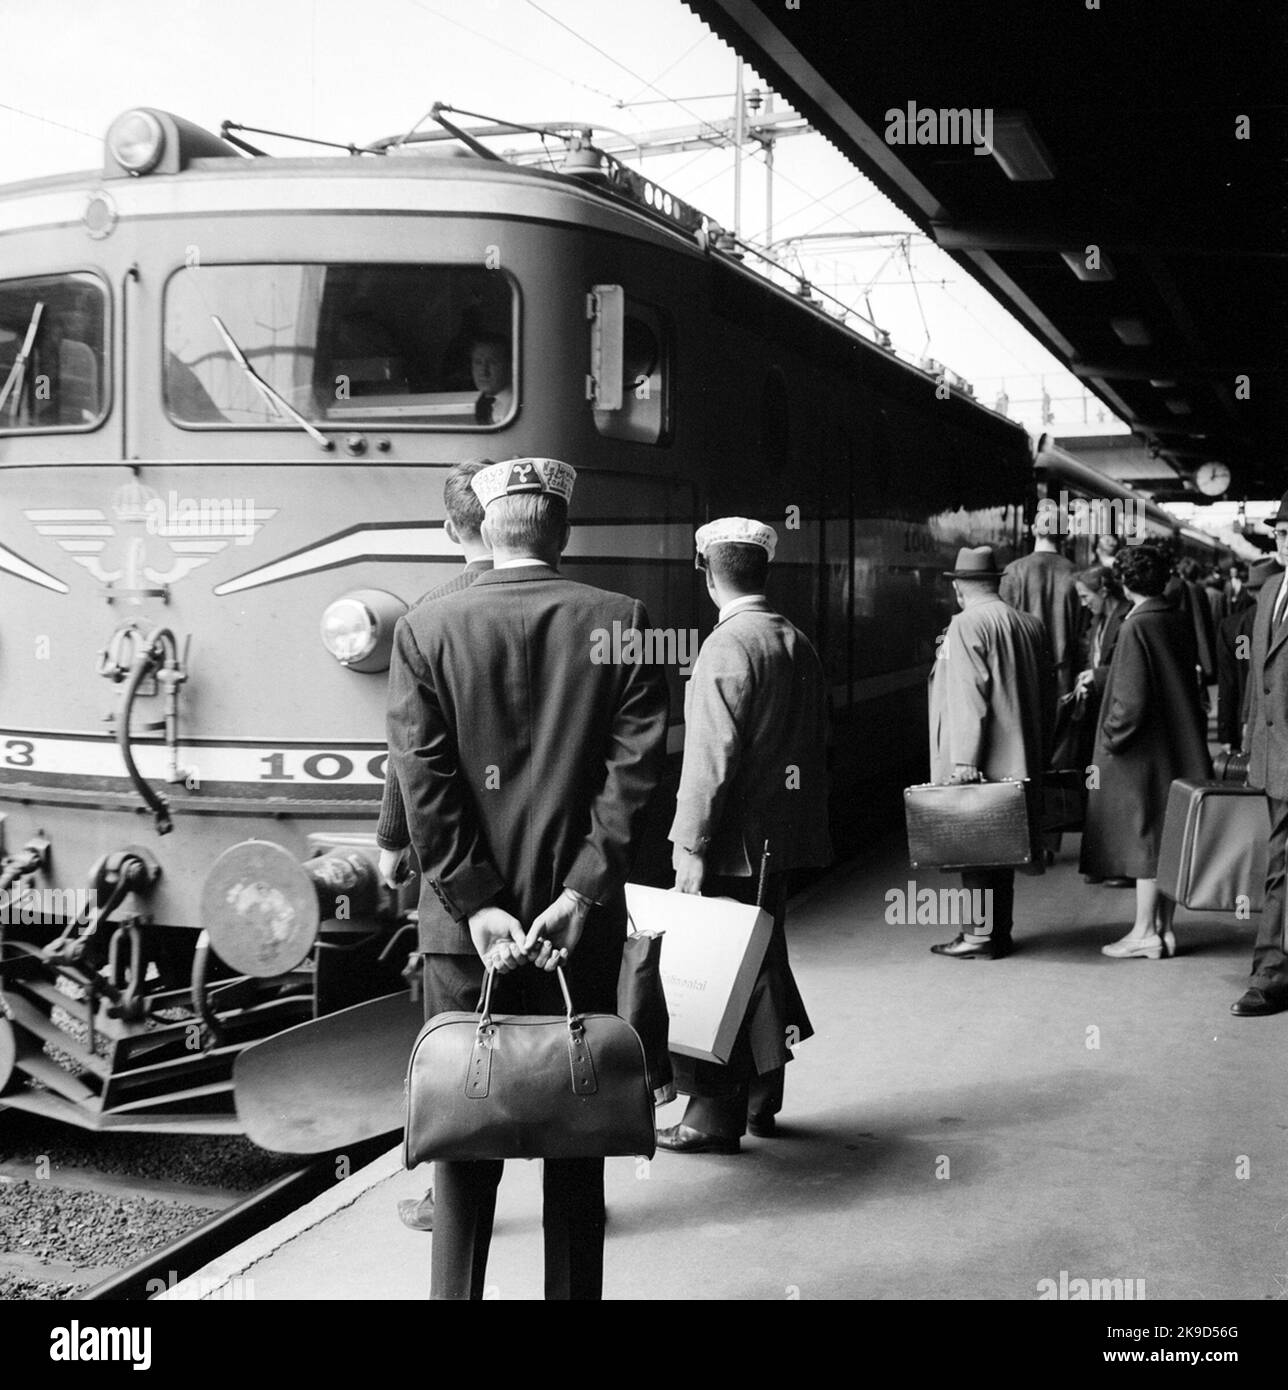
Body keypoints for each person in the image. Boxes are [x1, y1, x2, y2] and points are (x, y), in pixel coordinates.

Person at [386, 456, 669, 1299]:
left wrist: (476, 905)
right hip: (575, 934)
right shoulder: (622, 620)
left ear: (484, 530)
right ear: (563, 533)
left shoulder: (425, 629)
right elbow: (635, 779)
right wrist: (580, 893)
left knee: (464, 1133)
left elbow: (423, 784)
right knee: (577, 1132)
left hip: (461, 939)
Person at [656, 518, 832, 1155]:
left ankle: (711, 1117)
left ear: (707, 574)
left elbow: (709, 761)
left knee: (722, 972)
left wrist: (690, 845)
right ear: (765, 572)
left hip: (733, 846)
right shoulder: (795, 640)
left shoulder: (724, 646)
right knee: (760, 962)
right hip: (778, 840)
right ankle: (762, 1096)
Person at [376, 458, 494, 1234]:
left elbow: (410, 753)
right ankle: (572, 1177)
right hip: (557, 880)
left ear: (452, 527)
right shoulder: (593, 610)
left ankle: (451, 1208)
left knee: (457, 1044)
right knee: (556, 1032)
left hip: (458, 882)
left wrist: (394, 839)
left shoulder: (428, 615)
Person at [1080, 543, 1211, 959]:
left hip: (1143, 754)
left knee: (1145, 844)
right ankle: (1165, 930)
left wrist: (1110, 738)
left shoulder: (1136, 625)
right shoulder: (1173, 617)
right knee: (1169, 838)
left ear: (1124, 581)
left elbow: (1131, 703)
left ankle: (1143, 932)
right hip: (1178, 744)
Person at [928, 546, 1046, 960]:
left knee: (974, 848)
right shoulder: (1029, 624)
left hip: (983, 759)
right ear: (995, 583)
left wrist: (965, 760)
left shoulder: (965, 624)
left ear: (959, 586)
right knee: (1003, 849)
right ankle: (999, 934)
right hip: (1020, 756)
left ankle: (978, 936)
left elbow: (969, 695)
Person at [1231, 494, 1288, 1017]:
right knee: (1280, 863)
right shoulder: (1271, 588)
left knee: (1281, 865)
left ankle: (1270, 975)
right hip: (1276, 758)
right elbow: (1258, 679)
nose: (1286, 543)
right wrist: (1252, 747)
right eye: (1282, 534)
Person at [1000, 520, 1082, 706]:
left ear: (1033, 529)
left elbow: (1004, 624)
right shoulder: (1075, 572)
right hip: (1063, 673)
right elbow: (1082, 628)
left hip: (1023, 671)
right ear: (1064, 534)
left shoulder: (1014, 571)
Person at [1216, 559, 1275, 753]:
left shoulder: (1231, 626)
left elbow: (1227, 683)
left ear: (1249, 591)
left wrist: (1225, 732)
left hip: (1244, 720)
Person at [469, 332, 512, 425]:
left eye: (493, 362)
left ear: (509, 366)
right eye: (478, 362)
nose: (483, 371)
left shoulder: (517, 406)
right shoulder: (483, 403)